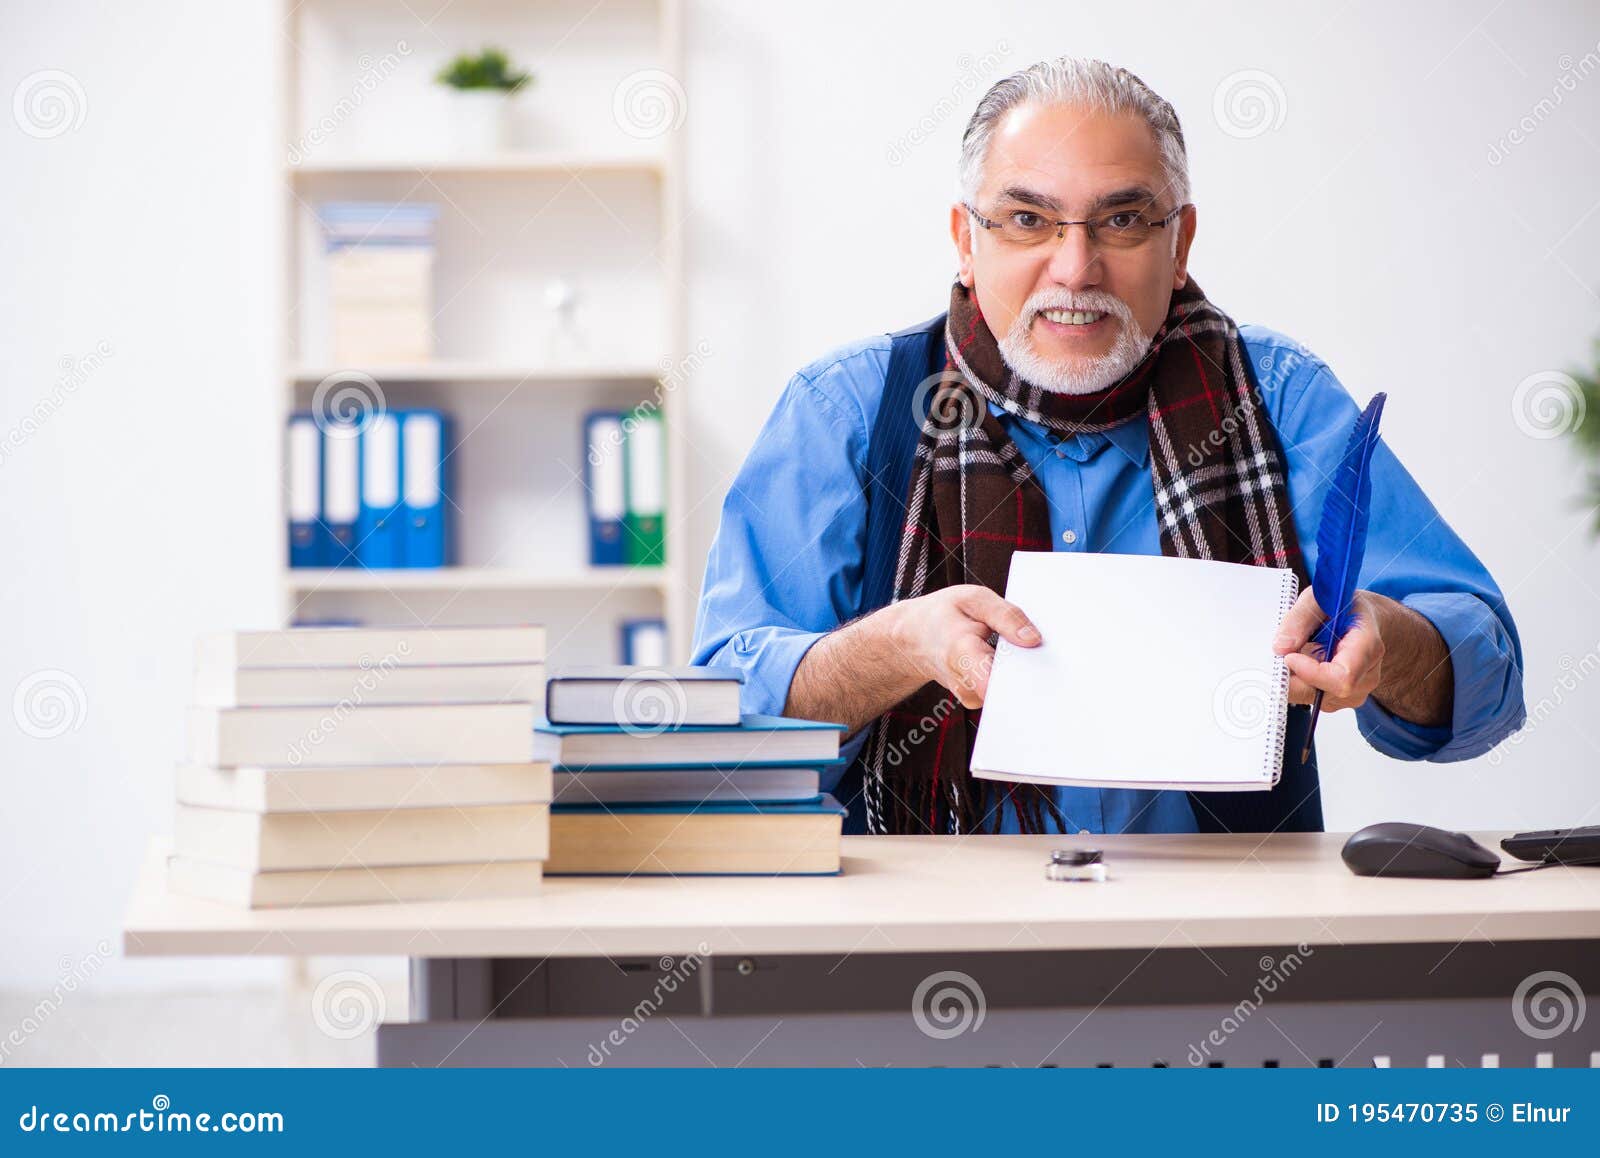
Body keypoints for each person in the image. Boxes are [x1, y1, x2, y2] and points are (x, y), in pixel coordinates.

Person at [690, 57, 1525, 836]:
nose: (1076, 266)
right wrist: (896, 647)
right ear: (965, 240)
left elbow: (1488, 674)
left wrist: (1393, 642)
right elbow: (723, 734)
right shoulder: (845, 410)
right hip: (908, 950)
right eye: (1027, 220)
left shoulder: (1284, 400)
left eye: (1121, 220)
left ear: (1181, 240)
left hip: (1235, 958)